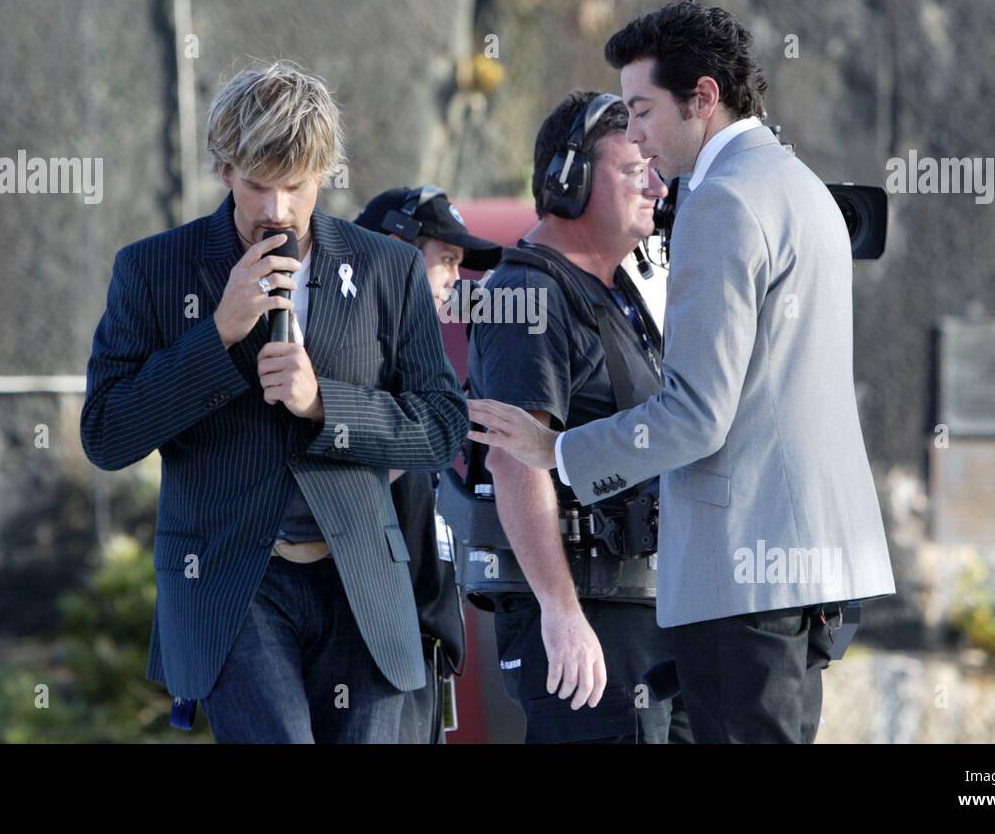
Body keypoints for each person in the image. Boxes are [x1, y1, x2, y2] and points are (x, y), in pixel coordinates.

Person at [469, 4, 897, 743]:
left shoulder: (723, 198)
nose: (644, 148)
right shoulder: (794, 186)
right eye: (626, 138)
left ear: (702, 98)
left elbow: (699, 413)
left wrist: (562, 453)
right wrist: (560, 608)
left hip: (740, 574)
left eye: (644, 113)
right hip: (786, 572)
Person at [80, 61, 467, 743]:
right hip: (233, 586)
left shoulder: (388, 267)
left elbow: (441, 427)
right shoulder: (151, 270)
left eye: (295, 186)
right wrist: (217, 334)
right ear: (225, 169)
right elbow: (107, 434)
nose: (275, 210)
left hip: (363, 589)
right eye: (257, 184)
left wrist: (326, 406)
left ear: (324, 173)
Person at [462, 90, 692, 743]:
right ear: (571, 182)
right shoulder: (527, 294)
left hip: (648, 614)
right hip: (592, 619)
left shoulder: (618, 294)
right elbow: (513, 460)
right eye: (632, 170)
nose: (655, 184)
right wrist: (561, 613)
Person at [353, 185, 502, 743]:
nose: (455, 279)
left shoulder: (419, 364)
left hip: (426, 644)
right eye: (446, 259)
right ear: (394, 248)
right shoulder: (345, 355)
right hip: (372, 646)